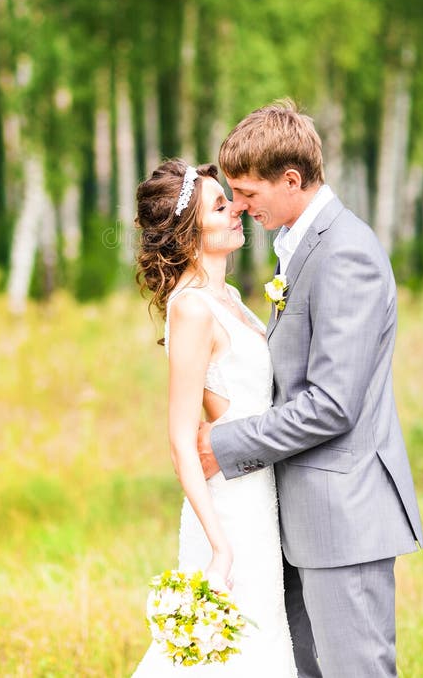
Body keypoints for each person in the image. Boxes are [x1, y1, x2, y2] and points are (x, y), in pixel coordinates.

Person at [198, 101, 423, 678]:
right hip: (303, 516)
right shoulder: (301, 245)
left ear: (292, 180)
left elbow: (332, 405)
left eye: (247, 192)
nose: (239, 206)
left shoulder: (345, 252)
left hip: (344, 517)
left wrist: (224, 443)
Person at [131, 158, 297, 677]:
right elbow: (181, 441)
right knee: (230, 649)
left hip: (260, 495)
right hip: (230, 509)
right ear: (188, 234)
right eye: (220, 207)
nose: (236, 210)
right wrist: (220, 547)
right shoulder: (192, 309)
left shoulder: (229, 298)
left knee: (261, 643)